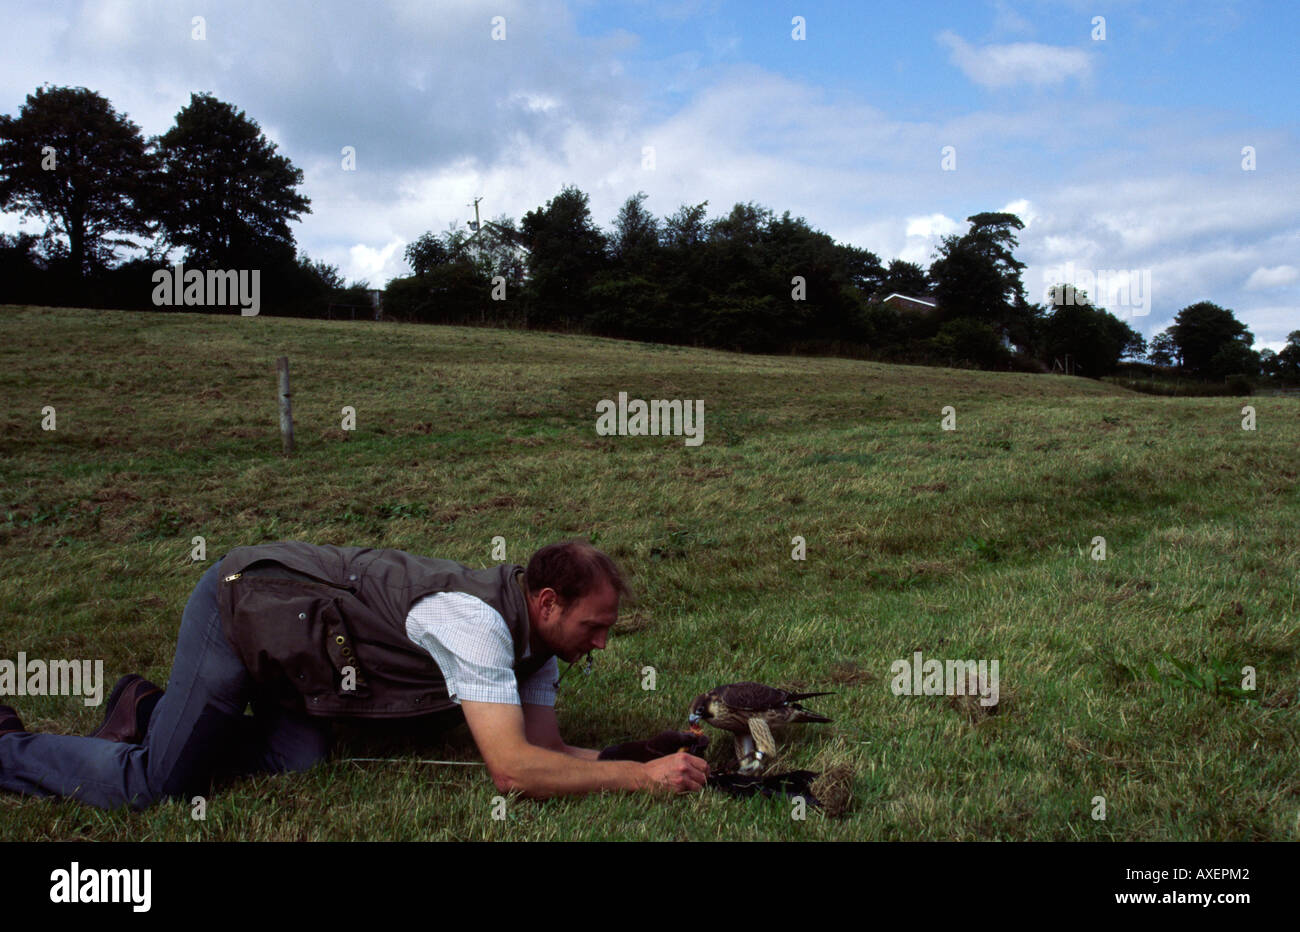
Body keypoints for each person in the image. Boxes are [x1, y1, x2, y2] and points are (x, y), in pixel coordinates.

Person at [0, 538, 709, 810]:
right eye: (596, 627)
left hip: (306, 656)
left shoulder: (538, 645)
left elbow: (548, 751)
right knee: (152, 784)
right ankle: (11, 749)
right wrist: (641, 780)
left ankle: (150, 708)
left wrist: (637, 753)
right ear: (548, 604)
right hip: (242, 609)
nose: (604, 644)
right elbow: (514, 772)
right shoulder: (478, 625)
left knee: (298, 758)